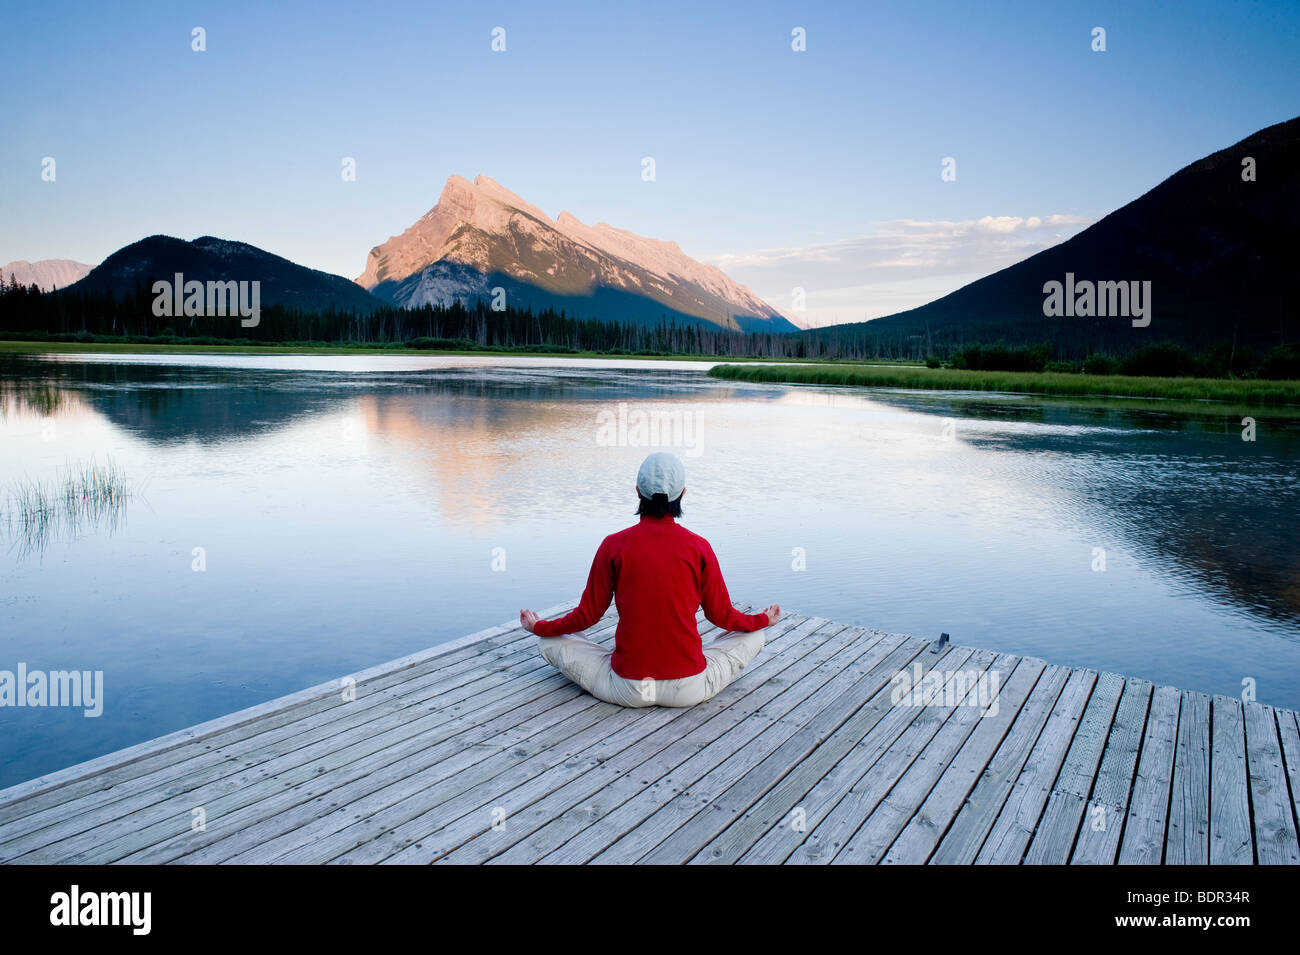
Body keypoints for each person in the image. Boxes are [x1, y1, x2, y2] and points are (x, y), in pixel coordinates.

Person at [520, 451, 781, 708]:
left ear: (637, 492)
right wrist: (762, 620)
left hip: (628, 688)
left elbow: (586, 616)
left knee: (550, 642)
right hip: (688, 687)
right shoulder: (699, 547)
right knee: (754, 637)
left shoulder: (613, 546)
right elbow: (722, 616)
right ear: (682, 494)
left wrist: (540, 627)